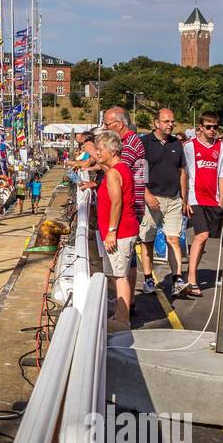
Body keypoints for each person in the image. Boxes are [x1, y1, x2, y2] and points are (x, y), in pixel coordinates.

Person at [137, 108, 189, 297]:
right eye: (166, 121)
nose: (170, 125)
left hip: (173, 198)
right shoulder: (144, 143)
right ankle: (148, 278)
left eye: (172, 121)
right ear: (156, 123)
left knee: (173, 238)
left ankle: (177, 279)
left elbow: (182, 171)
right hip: (152, 198)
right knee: (147, 239)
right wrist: (146, 193)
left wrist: (184, 197)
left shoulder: (177, 144)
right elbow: (138, 172)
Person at [93, 130, 138, 326]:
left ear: (112, 150)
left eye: (100, 149)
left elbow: (117, 203)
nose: (97, 152)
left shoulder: (113, 173)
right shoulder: (121, 168)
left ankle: (123, 319)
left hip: (120, 233)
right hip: (119, 231)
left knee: (120, 278)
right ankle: (121, 314)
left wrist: (112, 231)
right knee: (114, 275)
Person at [182, 113, 223, 297]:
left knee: (205, 238)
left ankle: (191, 273)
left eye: (215, 126)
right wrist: (184, 198)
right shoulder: (190, 147)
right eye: (208, 126)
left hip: (213, 199)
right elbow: (184, 172)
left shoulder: (221, 147)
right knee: (201, 235)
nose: (212, 130)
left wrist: (221, 198)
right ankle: (192, 278)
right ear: (200, 127)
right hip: (195, 198)